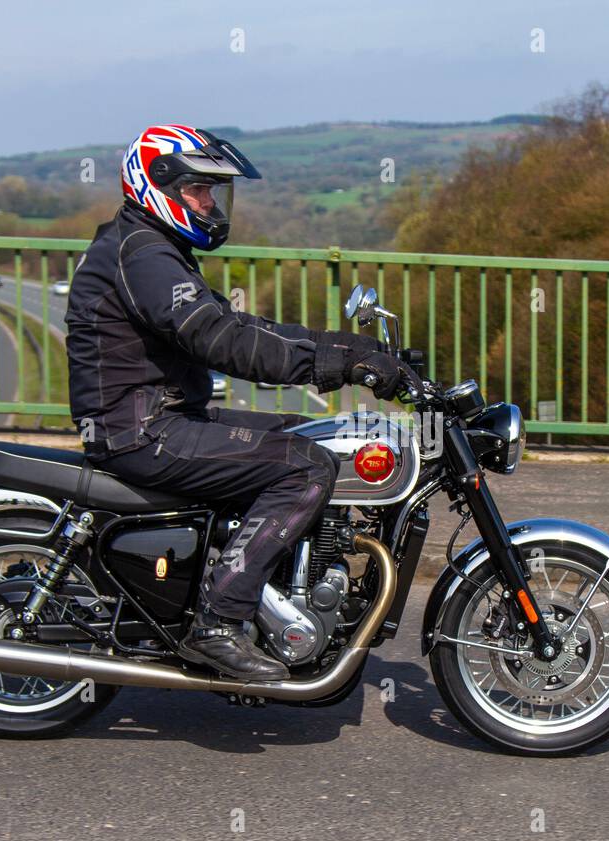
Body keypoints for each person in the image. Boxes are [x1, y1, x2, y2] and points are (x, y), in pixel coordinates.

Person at [64, 123, 419, 681]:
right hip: (139, 430)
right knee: (304, 469)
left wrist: (352, 349)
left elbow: (238, 323)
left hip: (159, 415)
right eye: (198, 190)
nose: (209, 203)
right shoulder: (144, 255)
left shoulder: (153, 246)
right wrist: (340, 365)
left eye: (213, 192)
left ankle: (276, 586)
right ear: (158, 183)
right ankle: (216, 622)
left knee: (307, 435)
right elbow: (218, 339)